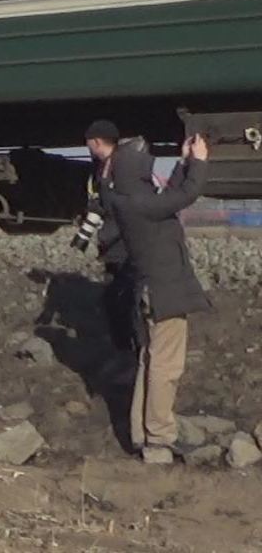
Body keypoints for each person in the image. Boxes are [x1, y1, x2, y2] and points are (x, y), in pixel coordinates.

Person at [109, 133, 211, 464]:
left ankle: (144, 435)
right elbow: (187, 194)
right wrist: (199, 161)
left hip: (152, 293)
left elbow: (171, 195)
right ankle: (159, 439)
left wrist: (183, 163)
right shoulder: (140, 203)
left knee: (150, 363)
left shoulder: (130, 199)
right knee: (166, 367)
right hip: (165, 294)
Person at [84, 120, 138, 366]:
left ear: (96, 141)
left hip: (123, 245)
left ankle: (128, 354)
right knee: (117, 299)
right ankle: (126, 352)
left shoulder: (116, 167)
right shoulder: (109, 165)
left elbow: (111, 205)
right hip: (117, 245)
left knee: (122, 300)